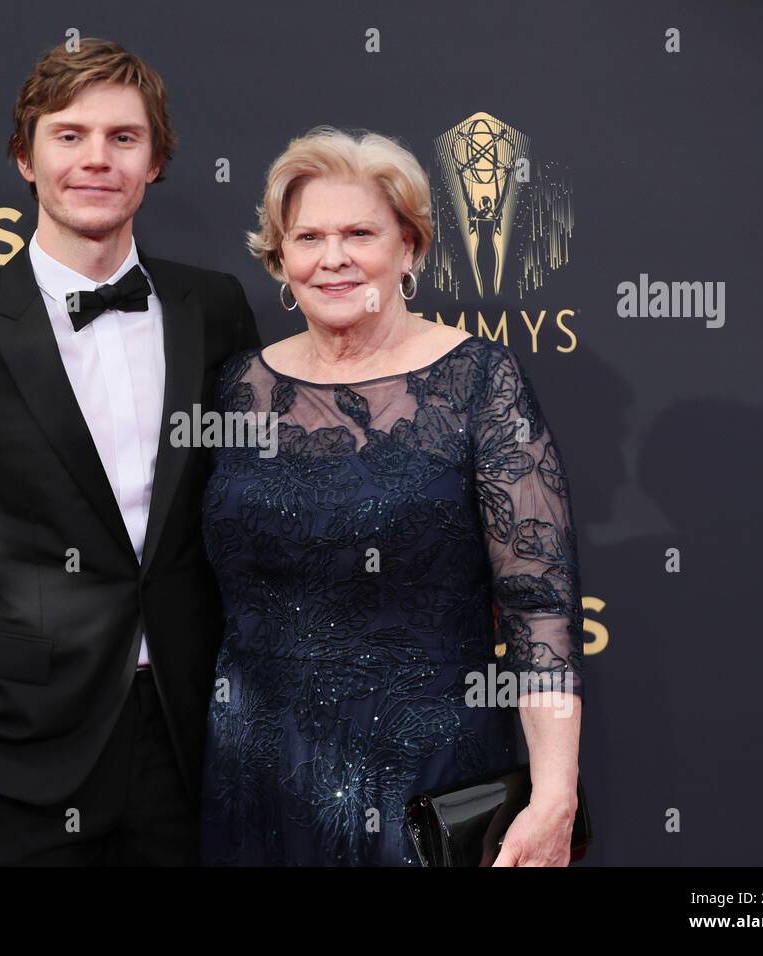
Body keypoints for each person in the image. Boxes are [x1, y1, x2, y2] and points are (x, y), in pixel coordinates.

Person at [0, 37, 259, 865]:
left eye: (123, 138)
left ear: (157, 162)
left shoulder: (214, 307)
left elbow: (256, 505)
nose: (95, 159)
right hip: (20, 746)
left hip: (197, 739)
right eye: (69, 136)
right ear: (24, 158)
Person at [199, 126, 585, 866]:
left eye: (359, 233)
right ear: (281, 259)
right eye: (307, 236)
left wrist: (554, 795)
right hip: (255, 771)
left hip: (424, 777)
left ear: (409, 248)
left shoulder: (478, 381)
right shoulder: (238, 386)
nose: (333, 257)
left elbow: (540, 608)